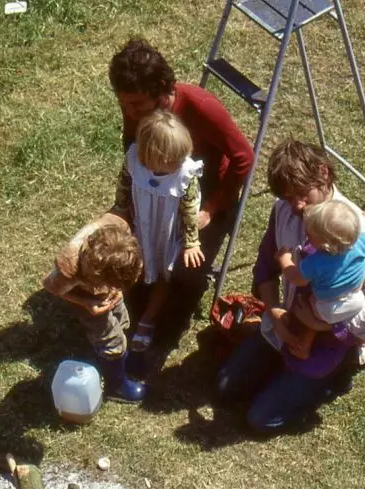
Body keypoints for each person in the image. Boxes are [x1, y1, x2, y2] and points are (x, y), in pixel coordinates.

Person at [217, 139, 365, 434]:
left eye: (302, 194)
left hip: (327, 340)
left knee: (259, 420)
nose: (297, 205)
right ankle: (285, 372)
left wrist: (324, 327)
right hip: (285, 323)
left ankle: (336, 371)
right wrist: (276, 313)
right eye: (288, 198)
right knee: (226, 388)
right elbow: (265, 267)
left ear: (323, 173)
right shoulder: (284, 210)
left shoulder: (353, 229)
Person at [109, 39, 254, 286]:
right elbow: (131, 143)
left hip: (202, 190)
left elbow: (244, 157)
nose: (130, 112)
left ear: (162, 91)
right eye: (123, 104)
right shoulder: (135, 105)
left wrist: (211, 208)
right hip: (155, 181)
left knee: (183, 271)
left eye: (136, 105)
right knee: (129, 250)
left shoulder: (200, 106)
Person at [112, 111, 204, 352]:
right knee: (132, 263)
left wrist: (191, 242)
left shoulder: (185, 174)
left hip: (167, 230)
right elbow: (124, 184)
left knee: (164, 272)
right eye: (174, 158)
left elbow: (190, 209)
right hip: (142, 223)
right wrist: (121, 209)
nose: (181, 161)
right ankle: (120, 308)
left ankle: (147, 319)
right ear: (153, 157)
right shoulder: (134, 161)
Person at [42, 214, 145, 402]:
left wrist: (116, 289)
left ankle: (122, 359)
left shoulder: (120, 228)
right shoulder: (69, 267)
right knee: (109, 339)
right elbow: (51, 287)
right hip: (86, 295)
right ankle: (116, 385)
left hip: (105, 283)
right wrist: (85, 303)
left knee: (122, 320)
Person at [275, 199, 365, 359]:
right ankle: (360, 337)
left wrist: (284, 259)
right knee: (343, 315)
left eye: (309, 234)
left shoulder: (315, 262)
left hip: (326, 308)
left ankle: (307, 344)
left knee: (306, 304)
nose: (306, 234)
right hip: (357, 300)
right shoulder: (361, 242)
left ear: (325, 244)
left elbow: (297, 279)